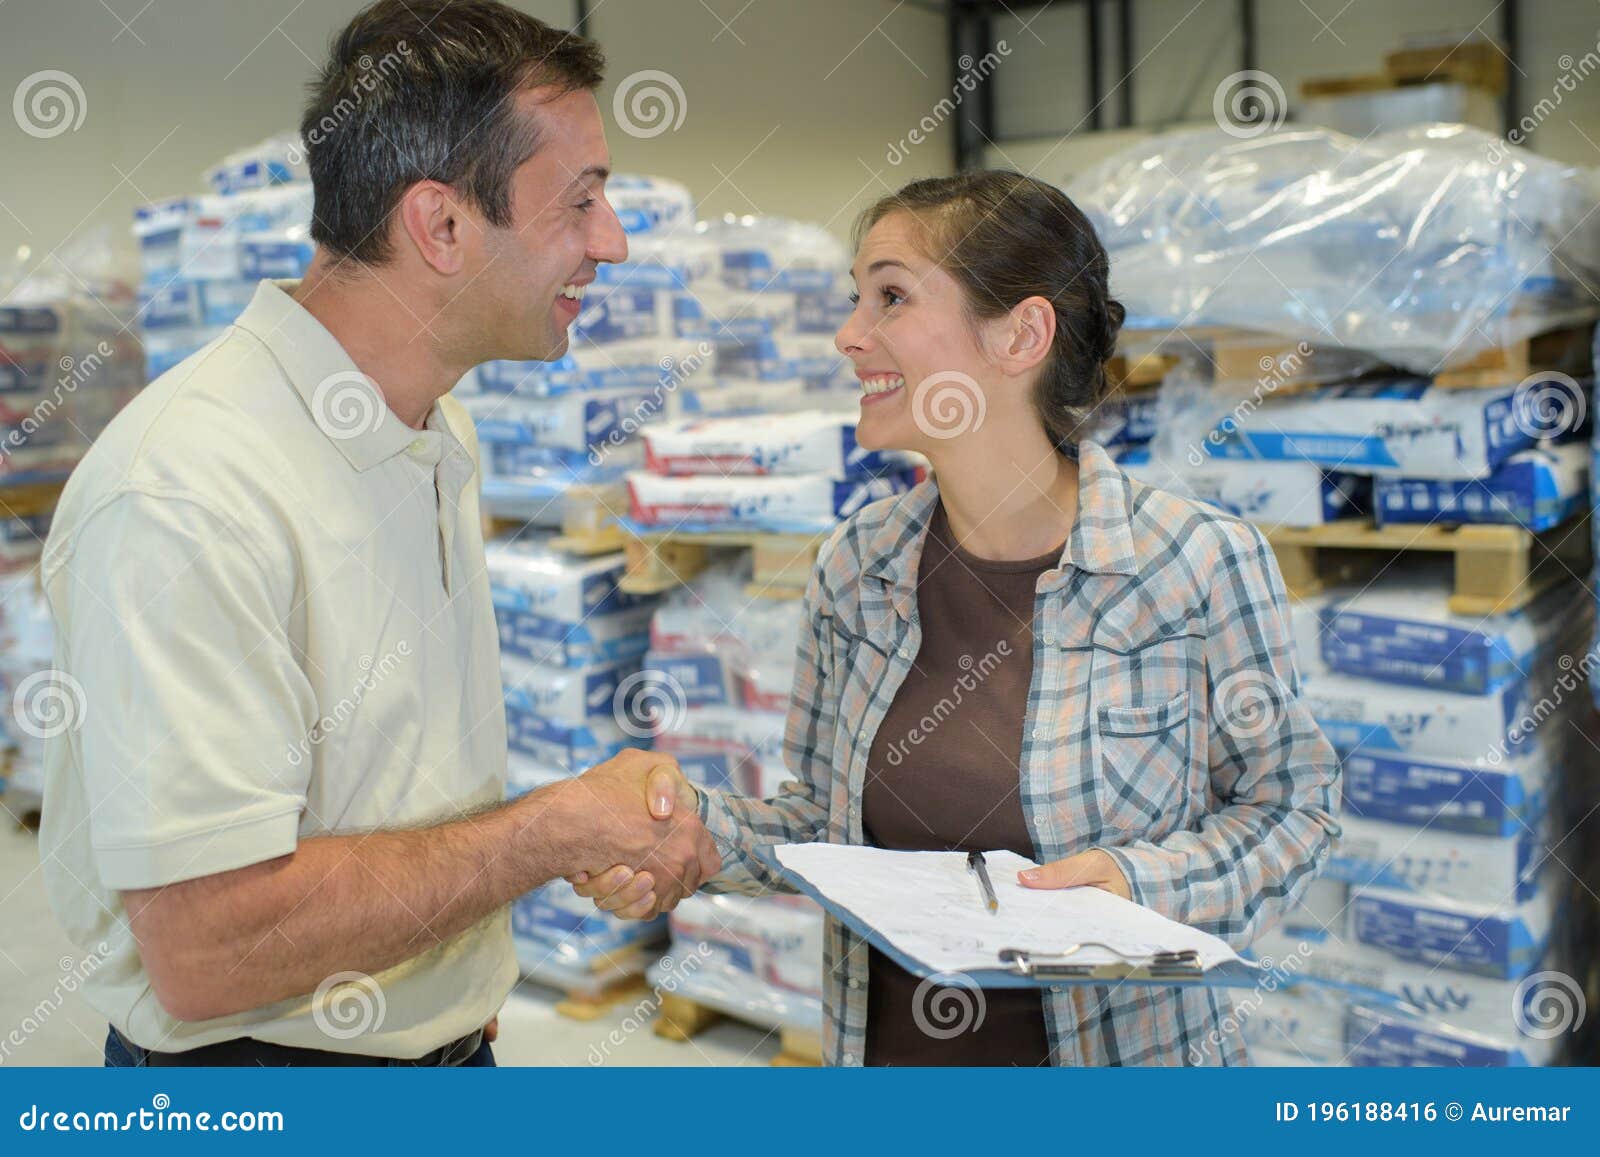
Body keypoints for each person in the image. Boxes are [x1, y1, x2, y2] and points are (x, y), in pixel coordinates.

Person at [39, 0, 715, 1068]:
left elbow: (391, 778)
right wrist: (544, 834)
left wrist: (449, 982)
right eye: (580, 201)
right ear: (441, 225)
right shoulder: (188, 491)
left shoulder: (432, 427)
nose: (612, 241)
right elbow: (209, 946)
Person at [574, 171, 1342, 1066]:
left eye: (890, 297)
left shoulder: (1195, 565)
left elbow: (1295, 810)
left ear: (1021, 334)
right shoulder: (857, 566)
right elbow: (823, 828)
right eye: (855, 300)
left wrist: (1139, 879)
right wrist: (686, 829)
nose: (849, 335)